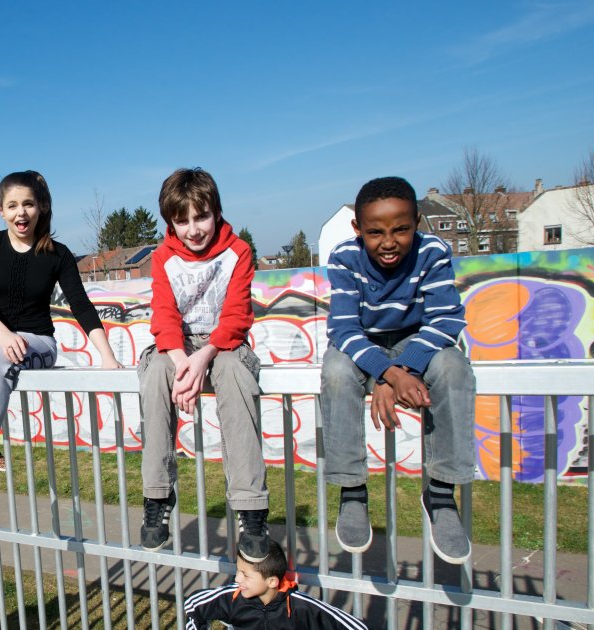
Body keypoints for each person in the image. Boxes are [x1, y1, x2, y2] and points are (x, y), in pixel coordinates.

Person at [0, 170, 122, 519]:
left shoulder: (58, 254)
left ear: (41, 207)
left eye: (28, 204)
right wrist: (5, 334)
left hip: (38, 341)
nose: (20, 213)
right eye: (12, 206)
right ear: (1, 210)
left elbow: (80, 305)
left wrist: (108, 357)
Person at [322, 176, 475, 564]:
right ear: (358, 230)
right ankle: (352, 490)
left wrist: (401, 369)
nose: (388, 242)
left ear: (418, 222)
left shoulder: (434, 251)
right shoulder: (344, 258)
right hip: (362, 343)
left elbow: (445, 321)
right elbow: (343, 329)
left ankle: (441, 491)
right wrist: (389, 374)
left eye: (401, 229)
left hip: (416, 340)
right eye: (375, 232)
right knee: (337, 374)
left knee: (454, 368)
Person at [138, 167, 270, 562]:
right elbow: (163, 316)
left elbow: (235, 317)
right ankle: (157, 496)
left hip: (222, 346)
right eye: (183, 221)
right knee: (156, 373)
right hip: (179, 348)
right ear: (171, 223)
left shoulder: (238, 252)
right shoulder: (162, 258)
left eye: (202, 217)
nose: (194, 229)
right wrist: (183, 365)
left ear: (216, 212)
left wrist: (203, 358)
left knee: (234, 373)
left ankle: (251, 506)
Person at [184, 539, 368, 629]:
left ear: (272, 581)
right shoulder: (233, 599)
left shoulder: (300, 607)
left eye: (245, 575)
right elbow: (193, 606)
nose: (238, 579)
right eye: (238, 572)